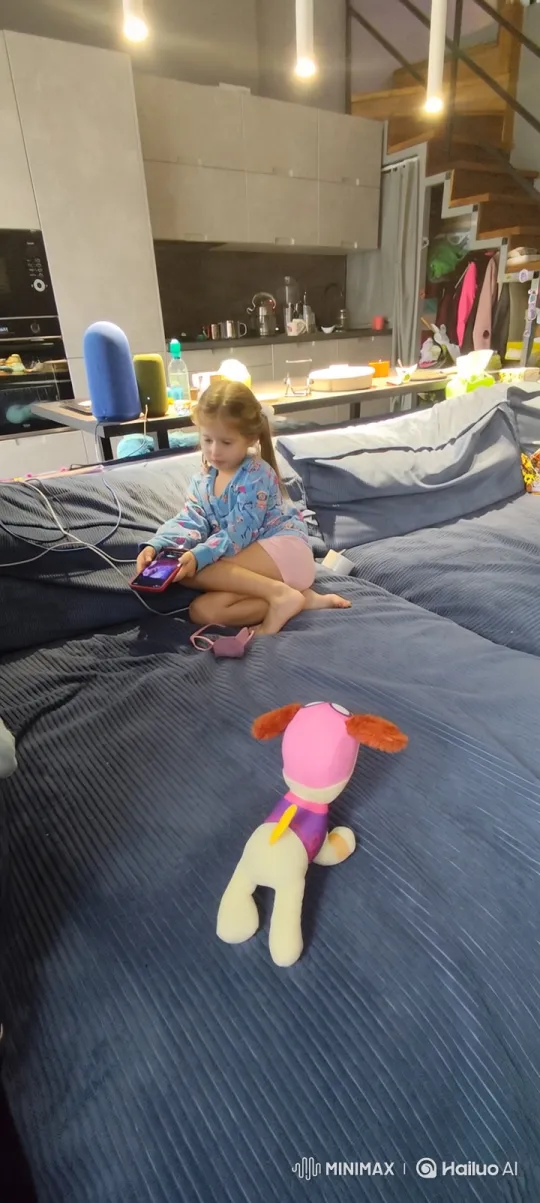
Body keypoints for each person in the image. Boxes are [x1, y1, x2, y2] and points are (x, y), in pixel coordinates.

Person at [136, 380, 351, 635]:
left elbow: (240, 532)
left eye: (226, 442)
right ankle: (299, 598)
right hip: (267, 571)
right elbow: (190, 520)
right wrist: (157, 545)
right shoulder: (203, 481)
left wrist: (198, 556)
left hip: (286, 553)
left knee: (190, 569)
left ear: (250, 438)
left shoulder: (256, 475)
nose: (214, 451)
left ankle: (281, 594)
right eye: (207, 440)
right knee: (202, 611)